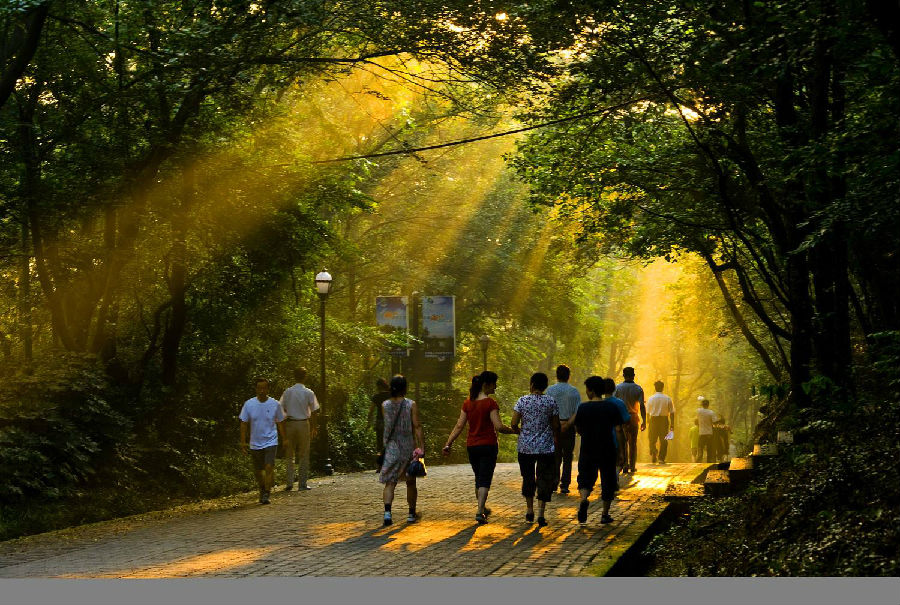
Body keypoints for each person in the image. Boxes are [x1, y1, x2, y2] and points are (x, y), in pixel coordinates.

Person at [442, 371, 516, 523]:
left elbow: (459, 426)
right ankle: (479, 511)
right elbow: (499, 426)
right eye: (494, 384)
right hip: (488, 446)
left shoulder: (468, 403)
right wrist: (515, 430)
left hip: (472, 446)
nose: (495, 387)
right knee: (484, 479)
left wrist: (448, 443)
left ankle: (482, 508)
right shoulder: (490, 403)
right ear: (486, 384)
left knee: (479, 478)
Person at [562, 377, 629, 524]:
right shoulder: (611, 408)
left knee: (585, 478)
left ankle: (584, 499)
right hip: (607, 448)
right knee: (608, 480)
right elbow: (619, 430)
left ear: (591, 391)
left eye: (587, 389)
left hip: (587, 448)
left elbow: (577, 428)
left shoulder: (583, 408)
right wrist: (622, 452)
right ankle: (604, 514)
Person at [511, 372, 560, 528]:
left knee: (528, 478)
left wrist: (522, 432)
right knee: (544, 479)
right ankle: (541, 514)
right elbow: (556, 426)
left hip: (525, 447)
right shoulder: (551, 402)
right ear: (545, 386)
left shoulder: (522, 401)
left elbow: (513, 423)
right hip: (546, 447)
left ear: (531, 384)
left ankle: (529, 510)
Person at [379, 375, 425, 526]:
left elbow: (387, 425)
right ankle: (411, 514)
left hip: (391, 447)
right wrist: (421, 447)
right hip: (407, 446)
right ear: (405, 387)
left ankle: (387, 513)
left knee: (390, 482)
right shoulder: (411, 404)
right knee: (410, 482)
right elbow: (417, 426)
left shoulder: (384, 405)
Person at [239, 377, 286, 504]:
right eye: (259, 388)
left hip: (271, 440)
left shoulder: (275, 404)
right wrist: (243, 442)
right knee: (259, 471)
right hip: (255, 442)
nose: (261, 390)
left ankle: (266, 493)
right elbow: (243, 423)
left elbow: (281, 422)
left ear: (268, 389)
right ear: (256, 389)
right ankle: (262, 488)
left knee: (269, 467)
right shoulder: (249, 404)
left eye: (264, 388)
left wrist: (285, 439)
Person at [279, 367, 320, 491]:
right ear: (305, 376)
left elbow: (280, 408)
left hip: (290, 423)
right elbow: (314, 411)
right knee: (303, 454)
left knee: (289, 454)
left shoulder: (288, 392)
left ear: (294, 376)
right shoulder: (309, 392)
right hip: (303, 423)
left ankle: (289, 483)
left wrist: (285, 419)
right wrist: (314, 426)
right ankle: (302, 483)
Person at [545, 364, 581, 494]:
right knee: (567, 456)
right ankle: (564, 484)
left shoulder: (550, 390)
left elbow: (547, 410)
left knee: (555, 456)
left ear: (556, 375)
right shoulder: (574, 391)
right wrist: (567, 424)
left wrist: (556, 425)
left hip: (554, 428)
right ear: (568, 376)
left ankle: (554, 482)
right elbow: (577, 412)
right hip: (569, 427)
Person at [614, 367, 646, 474]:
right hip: (633, 417)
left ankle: (625, 465)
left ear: (623, 375)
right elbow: (641, 405)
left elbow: (613, 403)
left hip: (621, 417)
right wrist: (644, 421)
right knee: (633, 442)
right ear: (633, 375)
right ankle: (632, 466)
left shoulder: (618, 388)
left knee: (623, 442)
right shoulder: (638, 388)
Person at [646, 380, 675, 464]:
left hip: (653, 419)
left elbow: (648, 412)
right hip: (664, 420)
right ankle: (661, 458)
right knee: (664, 439)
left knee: (652, 438)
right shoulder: (668, 398)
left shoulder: (651, 398)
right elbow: (672, 412)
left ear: (655, 388)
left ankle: (654, 451)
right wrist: (672, 424)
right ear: (663, 388)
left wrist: (648, 420)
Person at [368, 377, 391, 460]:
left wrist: (368, 422)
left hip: (380, 421)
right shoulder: (391, 395)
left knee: (380, 443)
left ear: (378, 386)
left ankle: (380, 466)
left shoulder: (376, 397)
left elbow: (371, 411)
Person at [696, 397, 720, 463]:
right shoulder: (711, 412)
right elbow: (715, 422)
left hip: (701, 433)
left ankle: (699, 459)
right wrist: (718, 420)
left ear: (702, 405)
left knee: (700, 446)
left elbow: (697, 418)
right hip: (709, 433)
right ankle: (709, 461)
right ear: (708, 405)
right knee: (709, 448)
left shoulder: (699, 411)